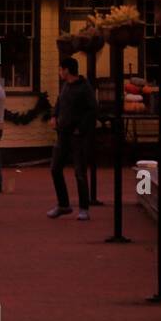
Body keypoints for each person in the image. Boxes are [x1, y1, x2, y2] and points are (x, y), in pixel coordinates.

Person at [48, 56, 98, 221]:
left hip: (78, 137)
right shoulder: (65, 86)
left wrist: (80, 128)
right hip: (63, 134)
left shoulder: (84, 88)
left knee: (80, 173)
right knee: (55, 168)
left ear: (67, 70)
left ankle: (84, 208)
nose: (59, 72)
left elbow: (92, 110)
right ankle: (63, 205)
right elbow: (59, 102)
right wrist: (55, 115)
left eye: (61, 69)